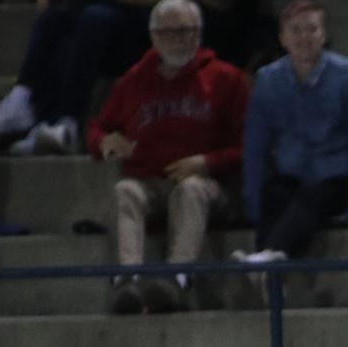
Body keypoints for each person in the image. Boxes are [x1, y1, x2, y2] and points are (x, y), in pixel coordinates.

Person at [89, 0, 249, 315]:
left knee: (190, 190)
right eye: (169, 33)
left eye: (186, 31)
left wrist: (207, 161)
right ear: (154, 37)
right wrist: (104, 140)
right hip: (148, 181)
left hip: (207, 185)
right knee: (125, 191)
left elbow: (248, 147)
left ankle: (176, 281)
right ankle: (127, 282)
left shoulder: (227, 79)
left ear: (200, 34)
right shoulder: (134, 80)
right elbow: (97, 128)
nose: (178, 40)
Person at [234, 2, 348, 278]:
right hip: (292, 175)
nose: (303, 37)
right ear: (282, 38)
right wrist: (252, 206)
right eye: (295, 30)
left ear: (323, 35)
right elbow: (255, 146)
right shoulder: (269, 80)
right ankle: (267, 263)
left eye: (311, 29)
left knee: (315, 194)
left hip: (337, 179)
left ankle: (270, 256)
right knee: (274, 194)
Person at [0, 1, 158, 156]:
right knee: (56, 17)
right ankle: (26, 98)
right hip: (100, 24)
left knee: (93, 17)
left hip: (150, 28)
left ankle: (68, 124)